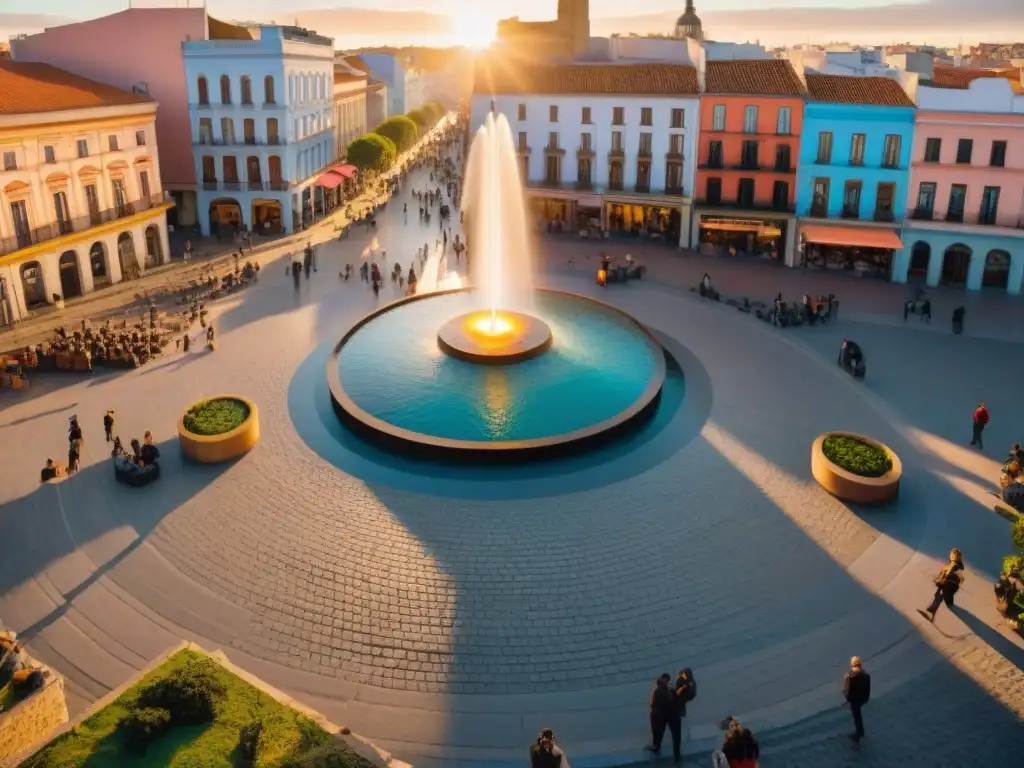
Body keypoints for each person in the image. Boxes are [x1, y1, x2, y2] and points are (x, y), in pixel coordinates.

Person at [918, 547, 965, 622]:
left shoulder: (954, 564)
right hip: (949, 585)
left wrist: (943, 578)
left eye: (952, 554)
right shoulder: (954, 565)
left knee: (940, 594)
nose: (950, 555)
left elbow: (950, 573)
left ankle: (932, 610)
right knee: (941, 595)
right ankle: (935, 610)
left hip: (949, 584)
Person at [645, 673, 675, 757]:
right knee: (657, 731)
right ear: (663, 679)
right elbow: (654, 702)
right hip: (657, 713)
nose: (667, 682)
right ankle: (656, 746)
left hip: (658, 713)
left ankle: (656, 746)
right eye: (667, 680)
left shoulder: (660, 688)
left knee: (658, 731)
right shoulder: (660, 689)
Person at [842, 656, 871, 743]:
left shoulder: (851, 674)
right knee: (858, 715)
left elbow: (849, 688)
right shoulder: (865, 674)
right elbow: (868, 688)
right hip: (862, 698)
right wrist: (866, 698)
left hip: (854, 699)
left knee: (856, 716)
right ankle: (860, 732)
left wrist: (848, 698)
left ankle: (858, 734)